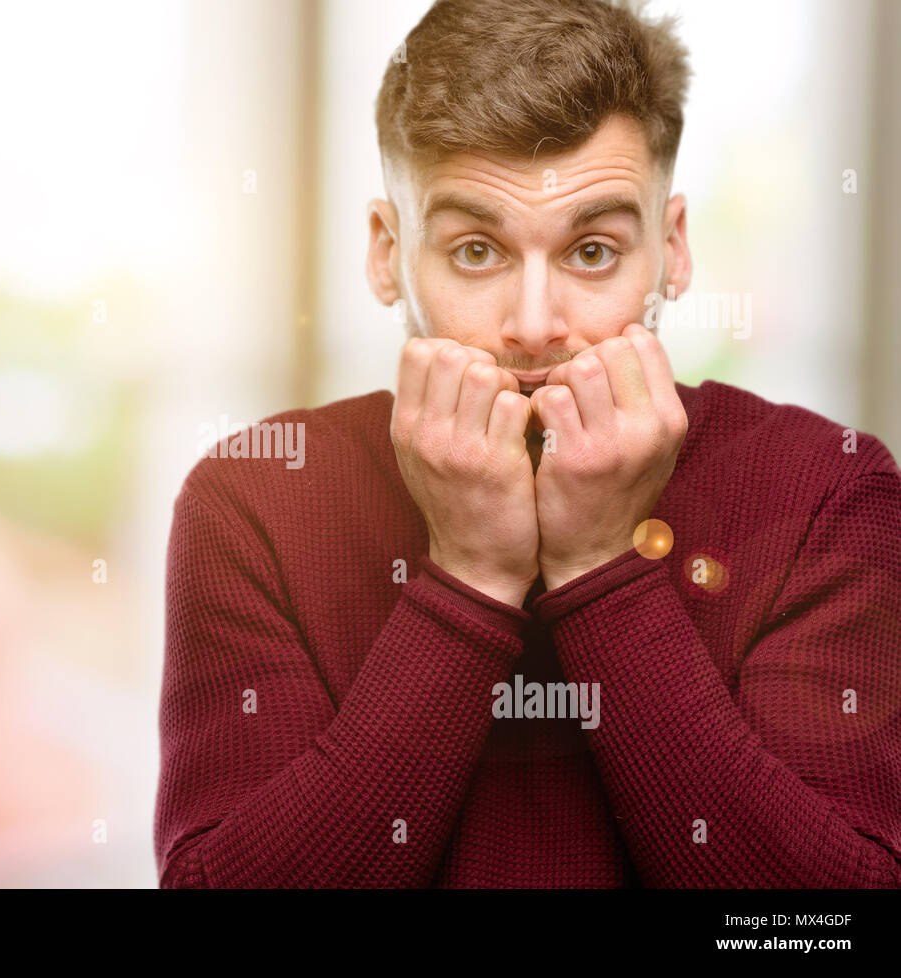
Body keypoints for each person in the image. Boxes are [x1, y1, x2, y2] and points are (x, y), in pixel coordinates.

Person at [153, 0, 901, 887]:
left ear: (671, 249)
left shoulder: (828, 491)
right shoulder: (257, 500)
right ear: (388, 254)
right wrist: (469, 576)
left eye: (592, 251)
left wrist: (597, 568)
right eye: (476, 251)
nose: (537, 327)